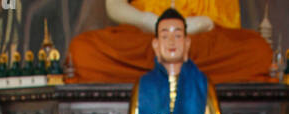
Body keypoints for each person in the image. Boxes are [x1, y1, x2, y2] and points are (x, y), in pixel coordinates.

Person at [67, 0, 273, 86]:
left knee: (258, 51)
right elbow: (113, 5)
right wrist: (148, 21)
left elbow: (225, 18)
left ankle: (170, 67)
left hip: (199, 39)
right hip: (146, 37)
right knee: (83, 50)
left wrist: (202, 23)